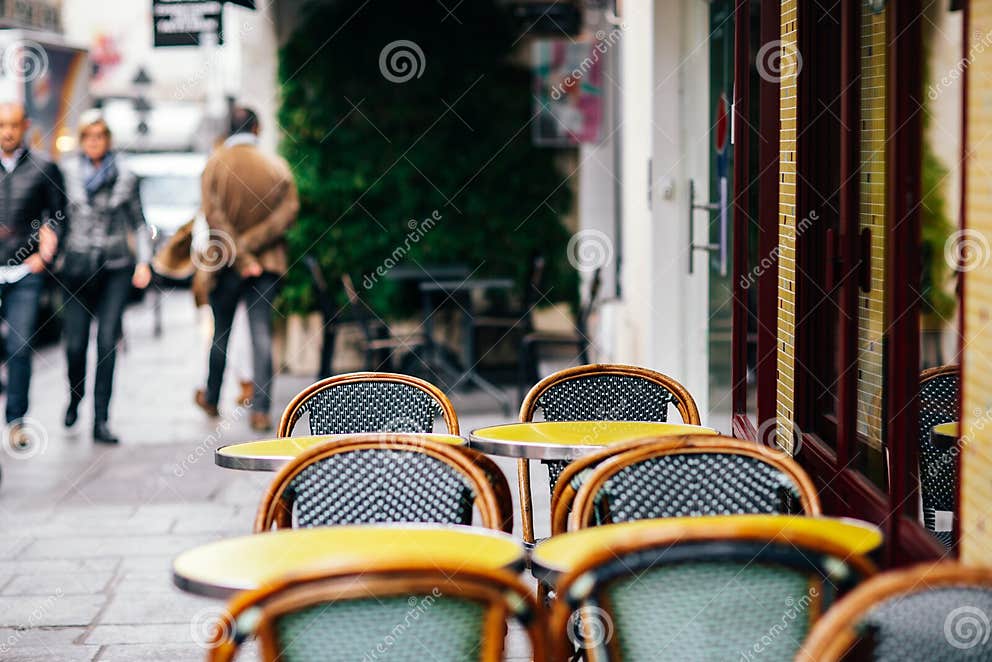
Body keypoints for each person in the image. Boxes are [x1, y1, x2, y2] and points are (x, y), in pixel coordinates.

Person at [196, 107, 298, 431]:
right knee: (261, 336)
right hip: (266, 265)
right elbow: (289, 211)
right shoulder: (276, 166)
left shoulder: (214, 165)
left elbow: (214, 216)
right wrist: (253, 250)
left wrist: (240, 253)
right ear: (257, 127)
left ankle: (212, 398)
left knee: (221, 334)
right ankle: (262, 411)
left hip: (224, 265)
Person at [59, 109, 152, 444]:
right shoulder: (67, 171)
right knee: (74, 346)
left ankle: (101, 420)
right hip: (77, 267)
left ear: (108, 140)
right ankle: (75, 396)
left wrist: (144, 262)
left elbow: (139, 222)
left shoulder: (126, 176)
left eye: (101, 136)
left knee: (107, 343)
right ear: (82, 140)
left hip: (115, 267)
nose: (95, 142)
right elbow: (55, 216)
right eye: (89, 136)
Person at [0, 103, 66, 449]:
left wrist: (45, 251)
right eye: (1, 126)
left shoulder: (44, 167)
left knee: (20, 346)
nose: (7, 132)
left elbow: (58, 214)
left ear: (25, 126)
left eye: (13, 125)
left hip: (25, 271)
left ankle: (16, 419)